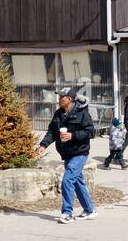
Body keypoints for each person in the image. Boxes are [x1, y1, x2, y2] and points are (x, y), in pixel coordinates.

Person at [36, 91, 95, 223]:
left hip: (80, 152)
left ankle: (67, 213)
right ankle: (89, 210)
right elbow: (52, 131)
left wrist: (72, 135)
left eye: (62, 97)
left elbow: (91, 132)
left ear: (69, 99)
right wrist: (43, 145)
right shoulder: (58, 113)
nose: (59, 99)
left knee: (67, 180)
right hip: (67, 153)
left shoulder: (82, 113)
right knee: (77, 182)